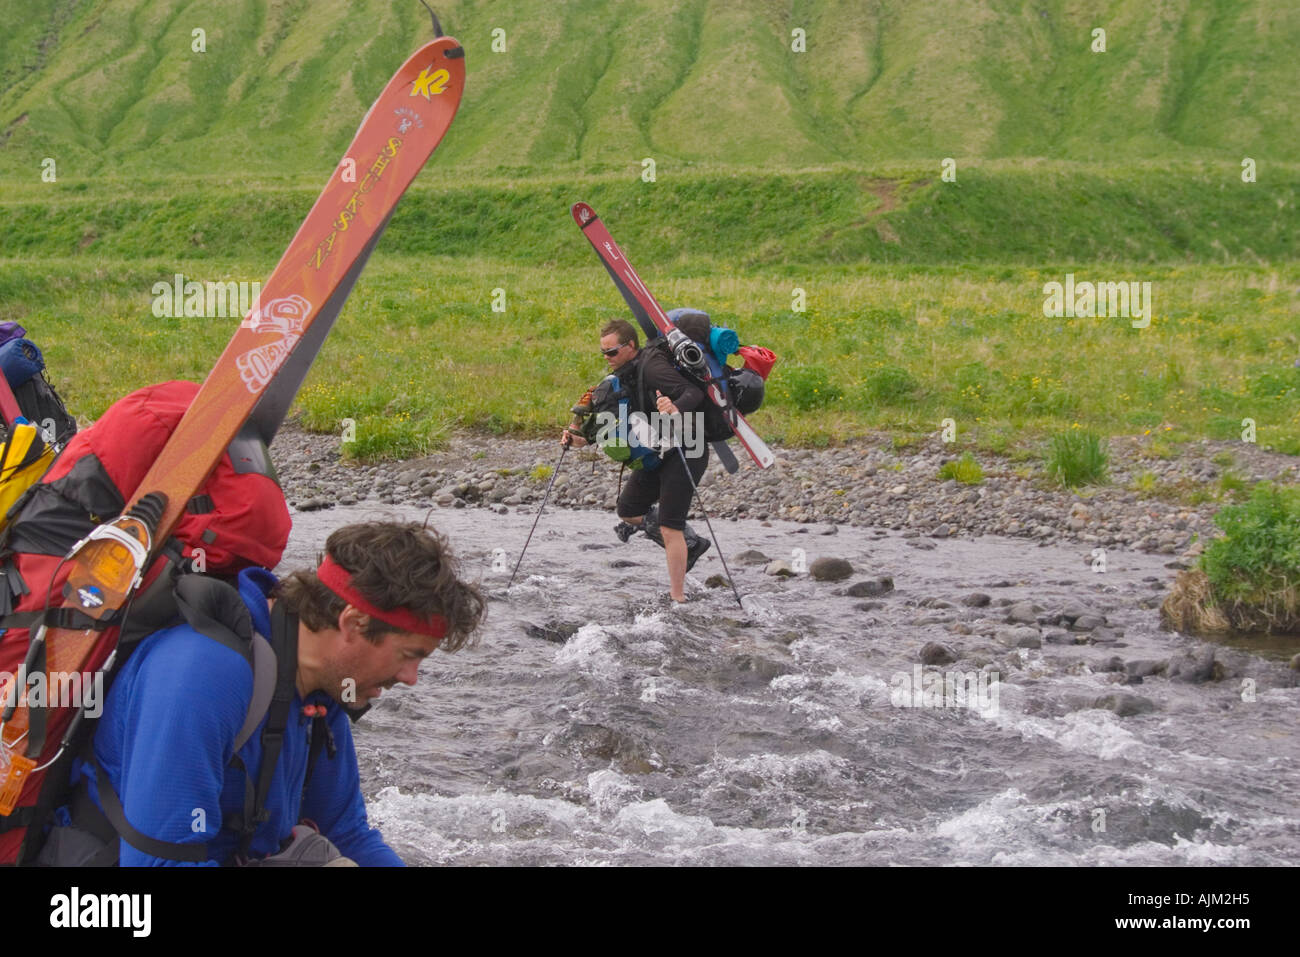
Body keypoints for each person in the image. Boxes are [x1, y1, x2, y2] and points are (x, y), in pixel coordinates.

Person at [66, 520, 486, 866]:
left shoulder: (326, 688)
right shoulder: (204, 675)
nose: (412, 677)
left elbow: (347, 832)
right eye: (409, 655)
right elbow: (161, 864)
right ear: (354, 623)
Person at [561, 318, 710, 603]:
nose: (607, 359)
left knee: (670, 526)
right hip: (656, 451)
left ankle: (677, 598)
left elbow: (695, 393)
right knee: (628, 509)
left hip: (686, 447)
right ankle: (690, 544)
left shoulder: (653, 367)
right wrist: (578, 439)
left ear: (630, 346)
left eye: (612, 352)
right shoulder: (621, 375)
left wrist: (674, 406)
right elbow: (615, 423)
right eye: (603, 353)